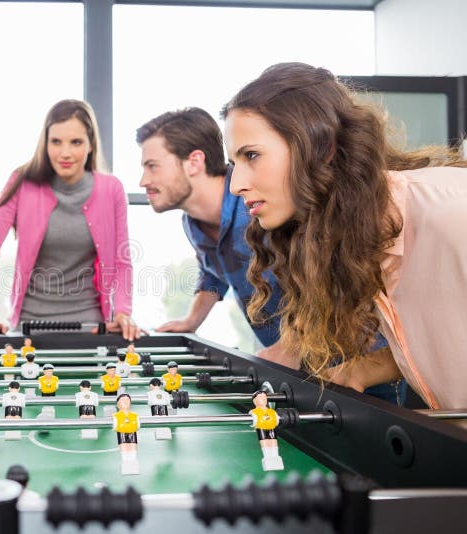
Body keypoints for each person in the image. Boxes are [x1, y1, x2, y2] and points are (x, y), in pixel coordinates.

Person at [222, 62, 467, 410]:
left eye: (252, 155)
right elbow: (444, 338)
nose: (236, 185)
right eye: (234, 162)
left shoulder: (451, 216)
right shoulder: (359, 238)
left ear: (322, 147)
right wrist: (360, 370)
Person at [137, 107, 404, 406]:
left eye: (152, 166)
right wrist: (191, 320)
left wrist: (290, 347)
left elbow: (328, 271)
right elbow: (213, 274)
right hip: (293, 368)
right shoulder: (192, 223)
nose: (142, 180)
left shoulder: (263, 205)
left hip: (358, 363)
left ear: (195, 162)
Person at [0, 99, 139, 343]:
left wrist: (124, 313)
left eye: (76, 142)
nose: (65, 153)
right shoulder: (21, 181)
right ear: (45, 143)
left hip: (92, 327)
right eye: (56, 142)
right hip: (28, 327)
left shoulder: (112, 189)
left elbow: (122, 260)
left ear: (91, 145)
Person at [249, 390, 284, 471]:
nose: (264, 399)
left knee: (273, 441)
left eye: (265, 397)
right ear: (254, 401)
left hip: (271, 427)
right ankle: (267, 457)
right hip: (261, 428)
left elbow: (276, 418)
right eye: (261, 397)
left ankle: (275, 457)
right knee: (265, 441)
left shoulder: (271, 411)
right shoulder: (254, 412)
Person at [113, 393, 140, 475]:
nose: (125, 401)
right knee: (124, 446)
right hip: (122, 432)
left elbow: (137, 425)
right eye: (123, 400)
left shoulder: (135, 415)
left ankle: (133, 462)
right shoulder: (116, 415)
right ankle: (125, 462)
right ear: (118, 404)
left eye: (127, 400)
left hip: (132, 432)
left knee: (132, 446)